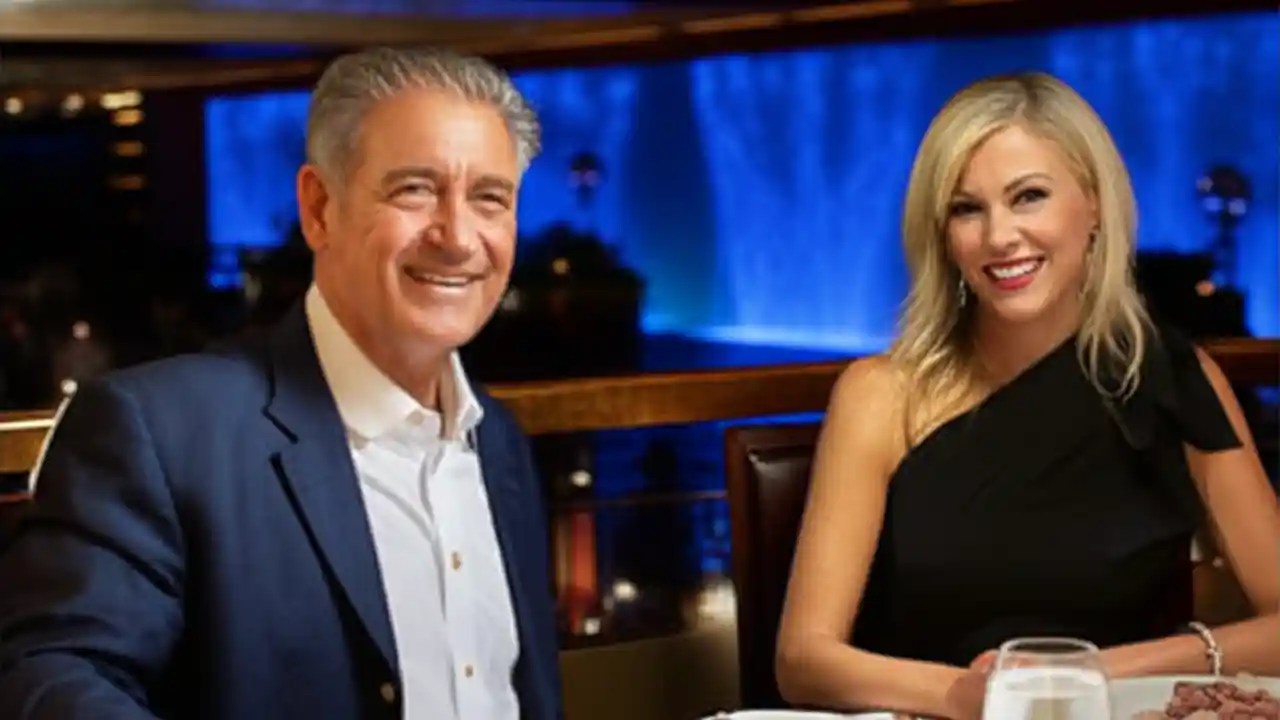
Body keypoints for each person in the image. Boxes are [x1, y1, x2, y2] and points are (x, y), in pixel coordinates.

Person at [0, 47, 563, 720]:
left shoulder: (500, 444)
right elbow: (48, 675)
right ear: (319, 207)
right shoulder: (159, 431)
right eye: (414, 189)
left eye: (489, 198)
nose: (458, 235)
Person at [775, 72, 1280, 720]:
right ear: (943, 234)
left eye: (1028, 197)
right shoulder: (880, 396)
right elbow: (803, 659)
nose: (999, 237)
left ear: (1094, 205)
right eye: (967, 208)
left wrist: (1088, 675)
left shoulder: (1174, 380)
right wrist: (972, 697)